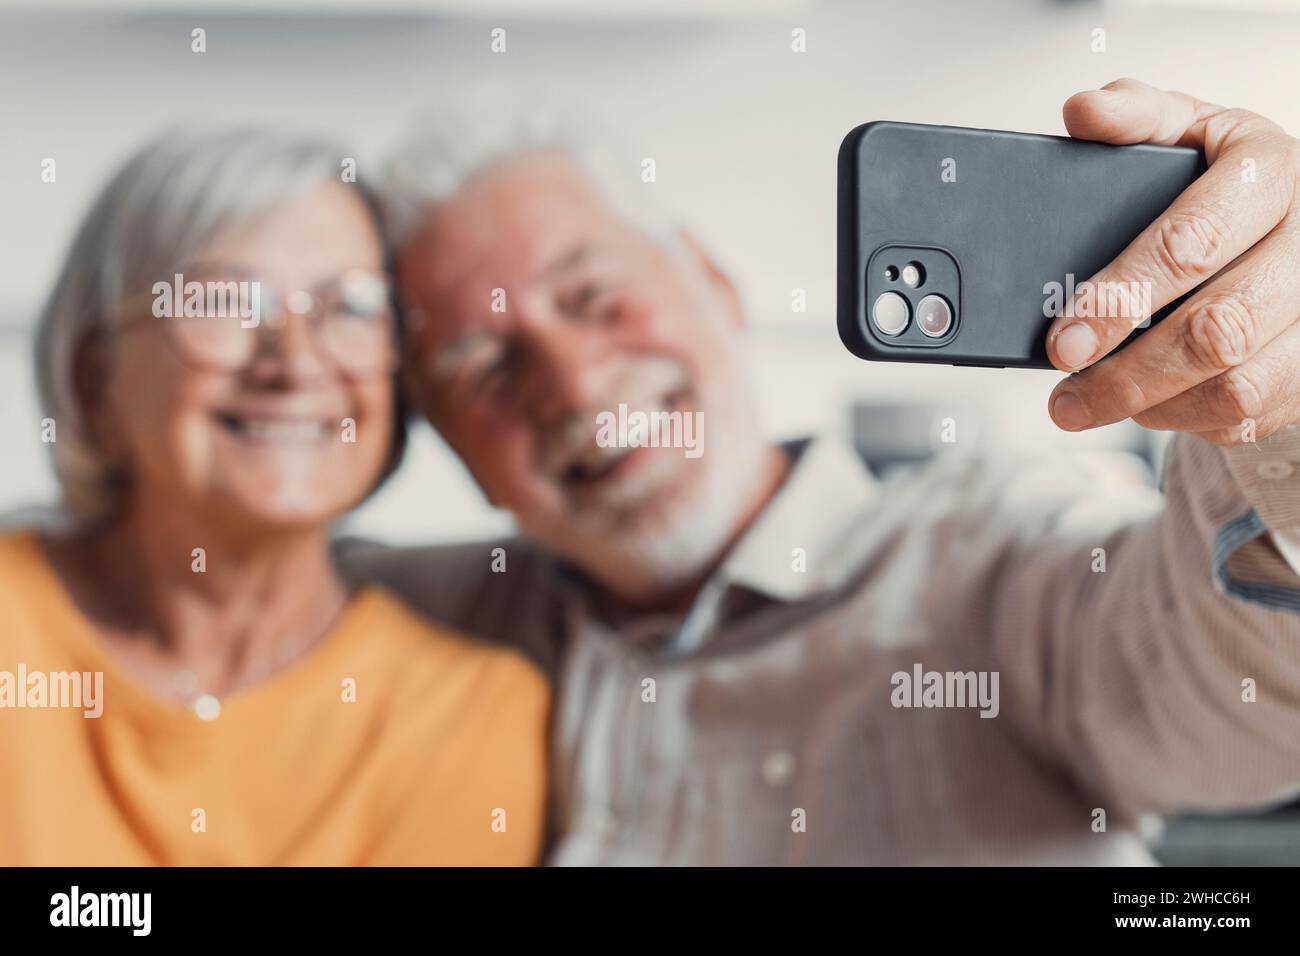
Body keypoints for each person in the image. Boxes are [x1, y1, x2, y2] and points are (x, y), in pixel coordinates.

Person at [342, 79, 1300, 865]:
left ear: (714, 285)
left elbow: (1237, 714)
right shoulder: (419, 619)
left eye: (595, 297)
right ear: (448, 443)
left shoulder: (997, 548)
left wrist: (1282, 422)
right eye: (482, 366)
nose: (574, 382)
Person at [0, 128, 549, 866]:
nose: (294, 364)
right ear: (97, 381)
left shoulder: (468, 715)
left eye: (352, 307)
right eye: (227, 302)